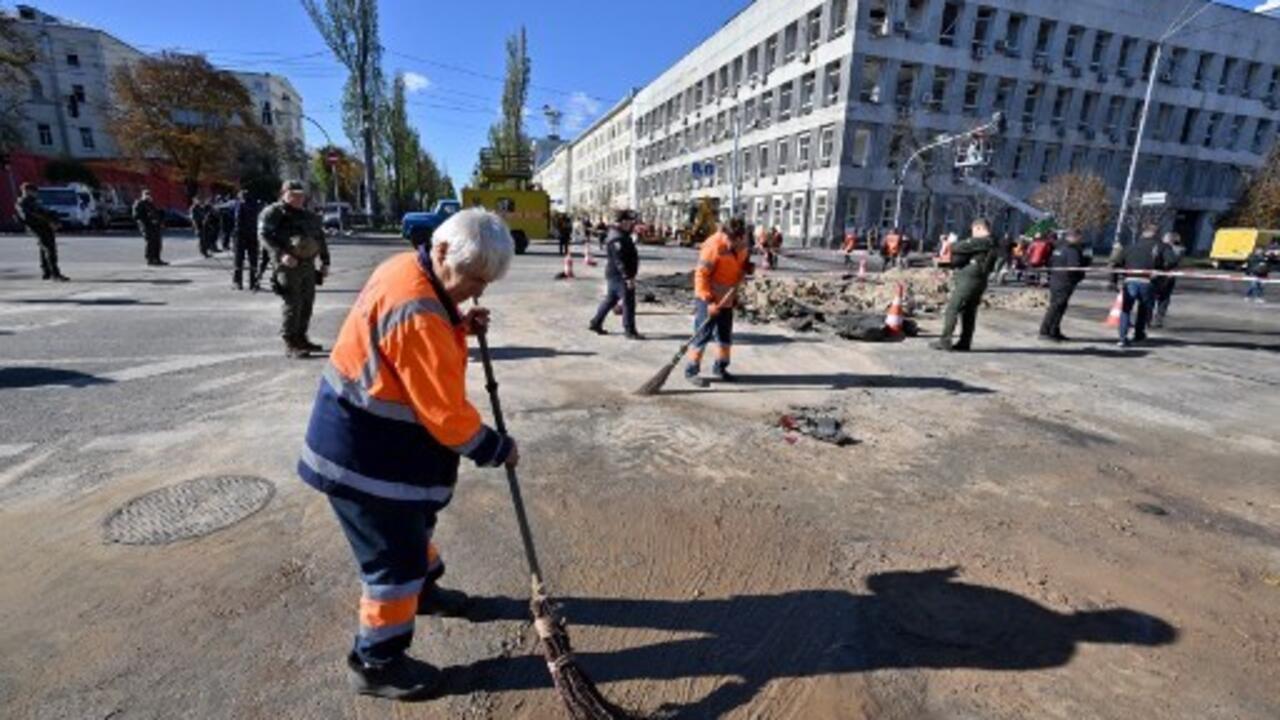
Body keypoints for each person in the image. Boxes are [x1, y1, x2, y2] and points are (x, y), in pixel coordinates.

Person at [297, 208, 519, 700]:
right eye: (472, 279)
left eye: (485, 283)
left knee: (414, 526)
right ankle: (377, 662)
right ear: (441, 252)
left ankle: (424, 592)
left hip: (381, 448)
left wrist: (458, 323)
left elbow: (417, 348)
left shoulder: (409, 269)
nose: (476, 291)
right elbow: (445, 413)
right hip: (364, 458)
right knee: (393, 562)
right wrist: (495, 447)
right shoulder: (418, 310)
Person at [259, 180, 331, 357]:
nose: (297, 198)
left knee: (307, 302)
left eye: (300, 195)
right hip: (287, 264)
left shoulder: (309, 215)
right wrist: (281, 255)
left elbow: (320, 239)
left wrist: (325, 262)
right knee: (293, 302)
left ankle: (301, 338)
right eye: (293, 195)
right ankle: (290, 342)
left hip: (307, 265)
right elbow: (264, 236)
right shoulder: (273, 213)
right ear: (283, 194)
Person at [686, 217, 753, 387]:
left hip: (727, 296)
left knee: (724, 335)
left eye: (739, 241)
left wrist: (746, 267)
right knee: (703, 334)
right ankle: (691, 370)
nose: (736, 244)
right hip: (708, 297)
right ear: (726, 235)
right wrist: (708, 302)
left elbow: (742, 262)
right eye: (732, 241)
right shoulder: (713, 246)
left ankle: (720, 367)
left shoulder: (743, 243)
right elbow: (701, 275)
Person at [932, 218, 997, 352]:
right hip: (977, 280)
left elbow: (959, 246)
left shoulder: (984, 241)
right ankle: (965, 342)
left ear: (979, 228)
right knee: (968, 312)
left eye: (973, 231)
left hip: (970, 280)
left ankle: (945, 340)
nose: (972, 234)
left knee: (953, 308)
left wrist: (949, 243)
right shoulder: (990, 242)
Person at [588, 209, 642, 339]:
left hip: (615, 274)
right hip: (619, 275)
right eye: (630, 222)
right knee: (629, 302)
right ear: (623, 222)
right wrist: (628, 277)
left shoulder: (620, 234)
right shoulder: (617, 237)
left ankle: (596, 322)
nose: (632, 224)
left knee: (611, 300)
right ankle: (630, 330)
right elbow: (620, 260)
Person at [1112, 223, 1167, 347]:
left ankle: (1122, 337)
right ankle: (1138, 334)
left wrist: (1113, 281)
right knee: (1144, 309)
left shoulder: (1129, 247)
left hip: (1130, 281)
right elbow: (1171, 260)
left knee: (1126, 310)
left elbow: (1116, 264)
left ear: (1142, 233)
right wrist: (1162, 272)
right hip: (1148, 282)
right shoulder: (1160, 246)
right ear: (1157, 233)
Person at [1038, 231, 1091, 341]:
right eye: (1079, 238)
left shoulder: (1058, 248)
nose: (1080, 241)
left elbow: (1050, 263)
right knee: (1056, 307)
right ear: (1074, 238)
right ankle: (1045, 331)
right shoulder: (1072, 250)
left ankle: (1053, 331)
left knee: (1058, 306)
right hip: (1065, 282)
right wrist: (1084, 263)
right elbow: (1074, 267)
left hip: (1055, 280)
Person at [15, 182, 68, 281]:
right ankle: (54, 274)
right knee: (50, 249)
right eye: (34, 191)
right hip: (39, 227)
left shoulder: (30, 201)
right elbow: (34, 215)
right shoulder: (25, 202)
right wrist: (50, 221)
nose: (36, 193)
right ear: (28, 191)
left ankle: (46, 272)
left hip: (41, 226)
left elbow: (41, 212)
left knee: (44, 248)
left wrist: (52, 218)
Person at [1151, 232, 1184, 328]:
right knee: (1164, 298)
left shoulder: (1163, 248)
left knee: (1156, 296)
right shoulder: (1180, 249)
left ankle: (1151, 317)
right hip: (1169, 276)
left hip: (1161, 275)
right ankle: (1159, 318)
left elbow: (1168, 261)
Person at [231, 190, 262, 291]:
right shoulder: (256, 206)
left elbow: (237, 219)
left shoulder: (240, 205)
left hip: (240, 235)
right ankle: (253, 283)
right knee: (253, 259)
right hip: (253, 234)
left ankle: (237, 283)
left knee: (238, 259)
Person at [132, 189, 168, 267]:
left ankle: (157, 258)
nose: (148, 196)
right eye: (146, 194)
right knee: (150, 242)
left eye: (149, 194)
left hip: (155, 226)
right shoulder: (139, 203)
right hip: (146, 226)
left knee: (157, 242)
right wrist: (147, 219)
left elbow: (155, 213)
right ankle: (150, 259)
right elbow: (136, 216)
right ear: (143, 195)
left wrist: (160, 219)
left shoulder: (150, 204)